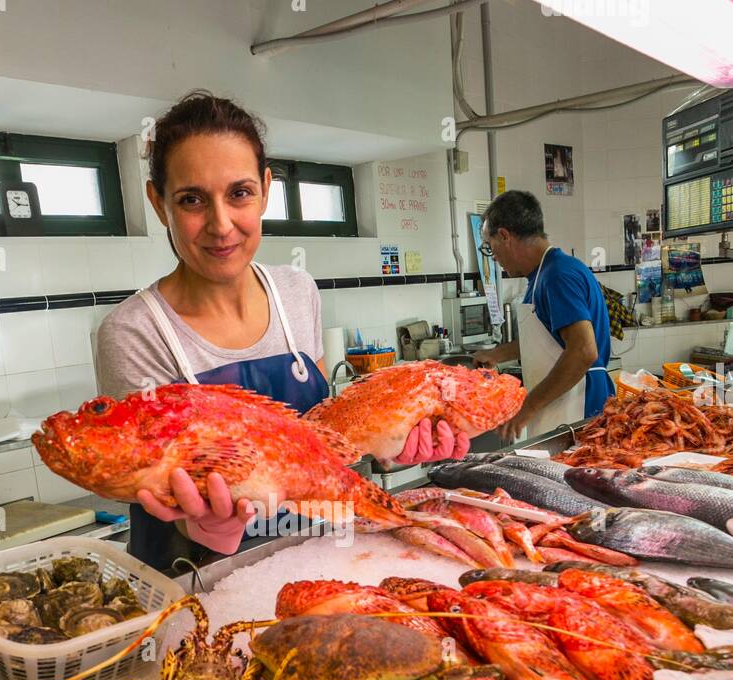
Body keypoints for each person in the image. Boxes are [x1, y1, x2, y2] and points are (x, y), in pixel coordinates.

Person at [96, 91, 469, 569]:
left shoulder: (296, 292)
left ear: (266, 190)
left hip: (316, 554)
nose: (221, 224)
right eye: (191, 199)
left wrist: (391, 449)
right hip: (194, 578)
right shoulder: (134, 331)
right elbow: (151, 480)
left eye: (239, 193)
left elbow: (320, 444)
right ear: (157, 201)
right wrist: (208, 525)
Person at [475, 190, 614, 442]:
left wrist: (527, 409)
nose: (493, 257)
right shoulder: (542, 275)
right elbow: (550, 337)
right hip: (559, 407)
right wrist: (498, 354)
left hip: (578, 406)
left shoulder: (558, 275)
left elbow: (583, 351)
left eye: (490, 246)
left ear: (505, 236)